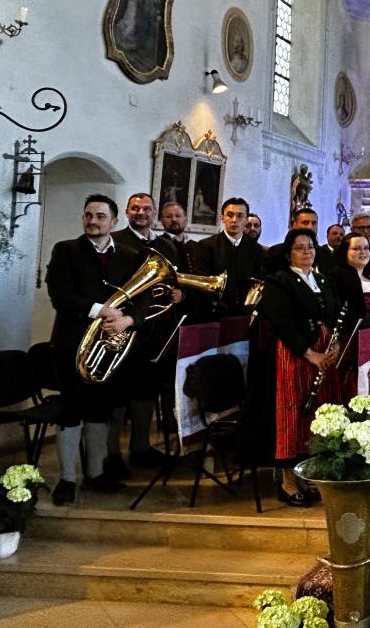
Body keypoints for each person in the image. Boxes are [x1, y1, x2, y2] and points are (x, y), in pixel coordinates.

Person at [45, 195, 147, 505]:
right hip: (71, 345)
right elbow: (60, 295)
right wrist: (100, 310)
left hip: (109, 349)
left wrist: (129, 319)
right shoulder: (66, 250)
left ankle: (96, 473)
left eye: (100, 216)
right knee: (72, 409)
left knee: (100, 409)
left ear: (114, 222)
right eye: (88, 215)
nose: (93, 221)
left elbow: (143, 298)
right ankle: (67, 478)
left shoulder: (130, 256)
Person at [259, 228, 350, 507]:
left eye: (310, 247)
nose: (306, 252)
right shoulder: (279, 280)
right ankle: (288, 480)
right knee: (293, 414)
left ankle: (309, 473)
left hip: (325, 355)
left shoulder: (323, 279)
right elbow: (282, 323)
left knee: (319, 414)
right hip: (295, 354)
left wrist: (336, 346)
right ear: (289, 253)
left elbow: (335, 315)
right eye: (299, 248)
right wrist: (310, 354)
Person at [108, 193, 183, 475]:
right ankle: (111, 454)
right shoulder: (115, 241)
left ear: (155, 214)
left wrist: (179, 293)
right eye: (135, 208)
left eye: (146, 209)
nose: (141, 213)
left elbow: (175, 279)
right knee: (117, 394)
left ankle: (141, 447)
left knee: (145, 390)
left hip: (155, 331)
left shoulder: (166, 244)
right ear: (127, 212)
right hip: (124, 327)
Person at [191, 198, 266, 317]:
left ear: (246, 220)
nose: (234, 220)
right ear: (222, 218)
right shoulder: (205, 246)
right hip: (212, 314)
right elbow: (202, 283)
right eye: (230, 215)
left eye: (240, 216)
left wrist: (251, 311)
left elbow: (258, 283)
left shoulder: (256, 249)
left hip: (245, 314)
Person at [331, 231, 370, 328]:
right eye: (356, 248)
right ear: (344, 251)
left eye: (366, 248)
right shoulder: (335, 277)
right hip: (349, 333)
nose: (363, 252)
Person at [266, 208, 320, 274]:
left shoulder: (324, 254)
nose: (310, 227)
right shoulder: (276, 252)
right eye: (305, 223)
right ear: (294, 225)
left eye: (314, 223)